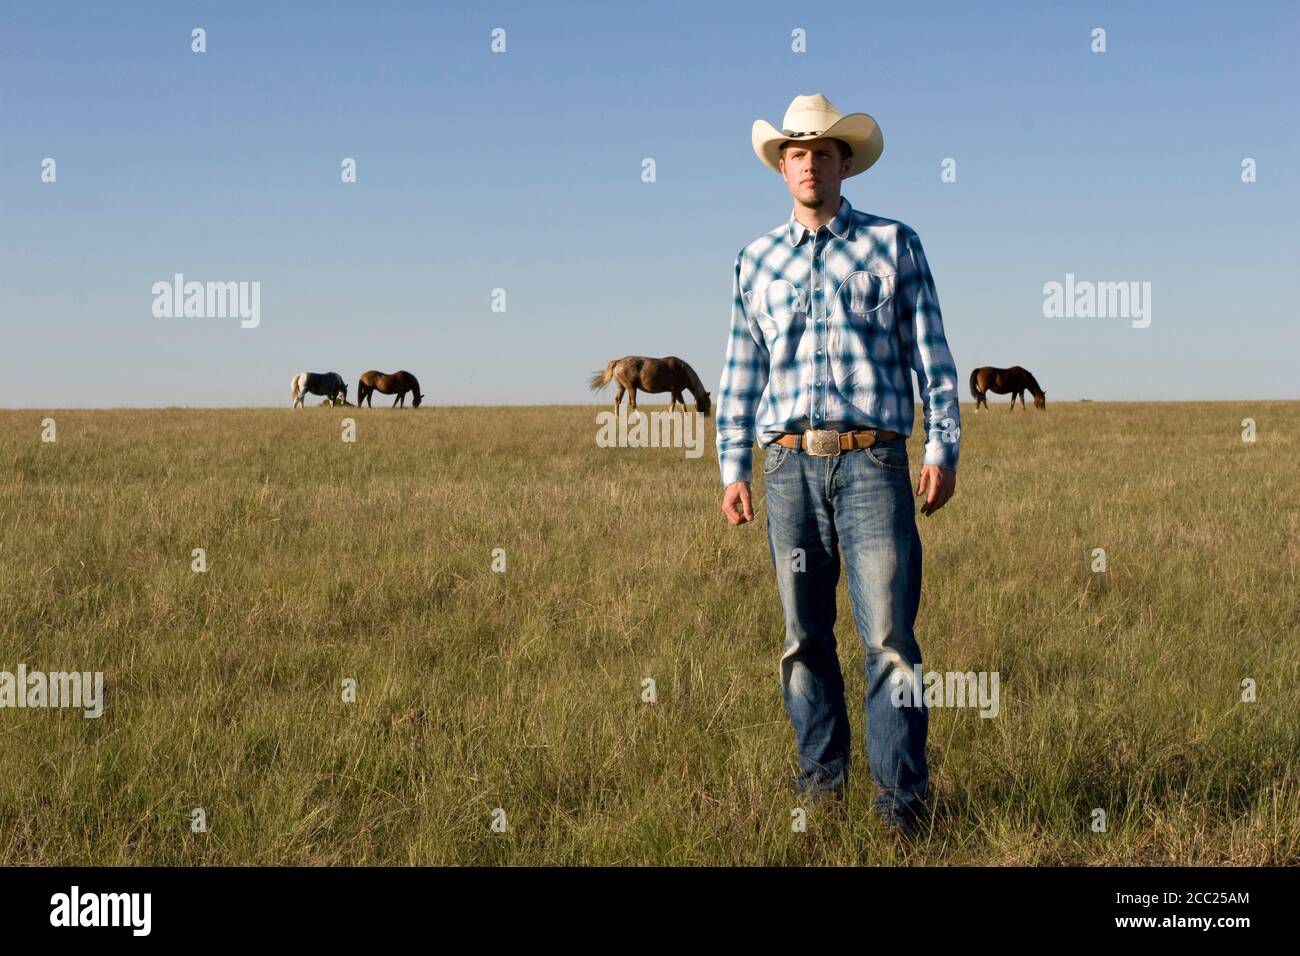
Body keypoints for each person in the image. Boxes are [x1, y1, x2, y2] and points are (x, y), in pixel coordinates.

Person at [715, 93, 962, 835]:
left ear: (845, 162)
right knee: (802, 640)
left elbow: (933, 357)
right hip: (786, 467)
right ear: (781, 167)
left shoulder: (895, 243)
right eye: (797, 153)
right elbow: (739, 370)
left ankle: (901, 812)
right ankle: (820, 791)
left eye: (824, 151)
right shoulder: (753, 260)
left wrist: (942, 445)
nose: (810, 163)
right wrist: (733, 467)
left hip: (873, 465)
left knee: (888, 641)